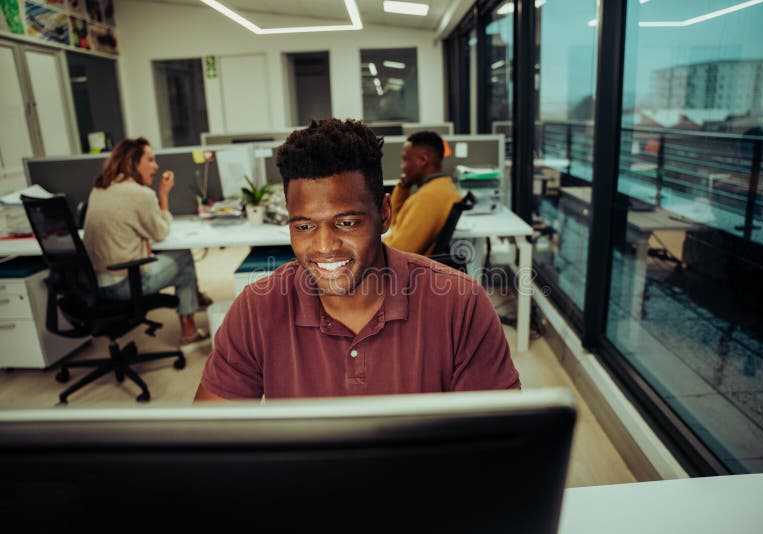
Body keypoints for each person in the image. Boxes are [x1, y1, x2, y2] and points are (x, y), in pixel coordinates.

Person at [195, 118, 520, 401]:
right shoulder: (256, 309)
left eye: (347, 223)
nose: (324, 246)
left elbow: (502, 446)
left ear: (384, 214)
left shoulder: (462, 304)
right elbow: (209, 446)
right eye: (305, 226)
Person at [83, 137, 211, 348]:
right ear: (133, 162)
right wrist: (163, 194)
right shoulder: (139, 194)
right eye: (150, 160)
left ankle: (196, 299)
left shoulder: (100, 188)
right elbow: (160, 232)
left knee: (176, 263)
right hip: (124, 284)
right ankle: (189, 332)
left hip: (94, 284)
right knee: (184, 257)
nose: (156, 166)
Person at [382, 130, 462, 255]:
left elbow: (398, 252)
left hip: (403, 271)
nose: (402, 166)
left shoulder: (429, 198)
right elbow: (396, 223)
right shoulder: (441, 187)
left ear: (423, 159)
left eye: (405, 159)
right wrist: (403, 188)